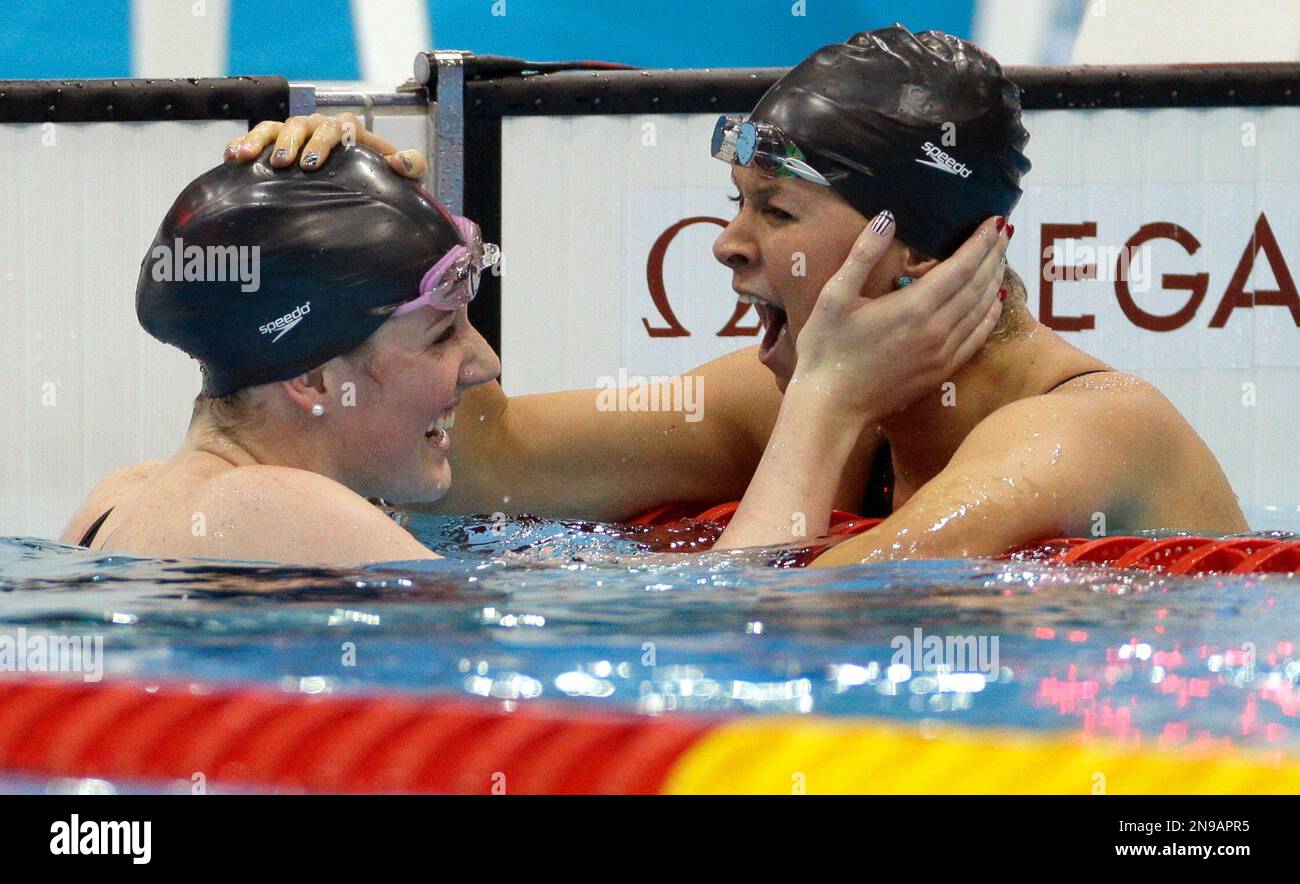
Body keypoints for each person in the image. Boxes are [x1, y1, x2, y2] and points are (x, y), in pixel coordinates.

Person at [218, 25, 1251, 562]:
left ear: (921, 260)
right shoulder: (778, 410)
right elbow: (477, 467)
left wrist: (830, 396)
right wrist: (377, 229)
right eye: (735, 202)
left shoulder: (1081, 436)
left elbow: (777, 640)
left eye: (777, 212)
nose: (727, 244)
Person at [60, 144, 502, 564]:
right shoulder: (282, 508)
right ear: (311, 380)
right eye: (441, 337)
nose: (486, 365)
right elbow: (478, 635)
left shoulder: (118, 497)